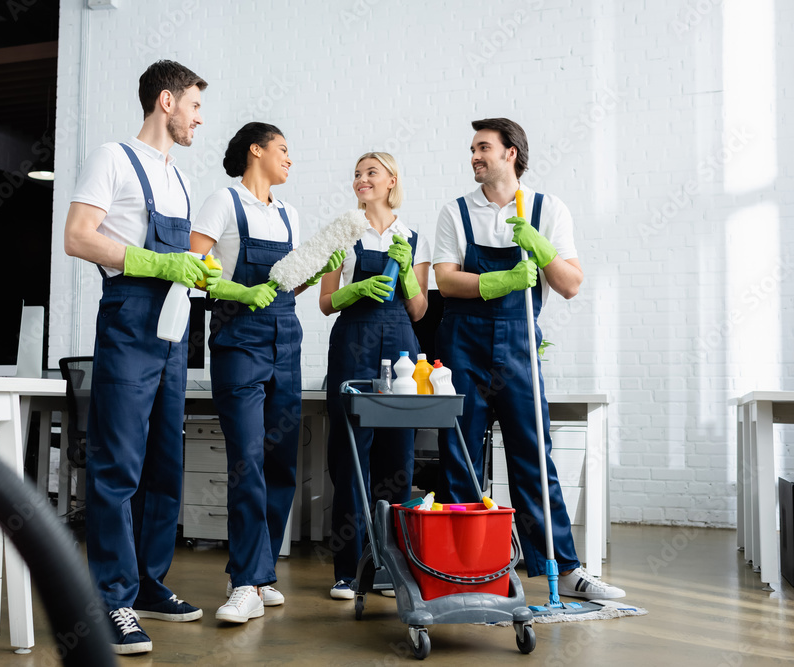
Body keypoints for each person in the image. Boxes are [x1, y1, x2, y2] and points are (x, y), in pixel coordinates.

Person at [432, 118, 625, 600]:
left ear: (511, 153)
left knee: (534, 457)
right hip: (461, 344)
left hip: (518, 344)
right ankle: (464, 569)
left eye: (483, 148)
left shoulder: (547, 209)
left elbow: (570, 284)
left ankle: (566, 567)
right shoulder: (456, 211)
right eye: (472, 148)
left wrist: (540, 250)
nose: (474, 156)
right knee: (460, 456)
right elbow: (446, 280)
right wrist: (497, 282)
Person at [63, 60, 219, 655]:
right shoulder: (113, 158)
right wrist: (156, 262)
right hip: (129, 320)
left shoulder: (175, 174)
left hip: (172, 327)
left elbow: (178, 254)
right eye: (195, 107)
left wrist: (196, 270)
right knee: (117, 467)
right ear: (166, 102)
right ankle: (112, 601)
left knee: (163, 463)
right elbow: (78, 236)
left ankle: (150, 583)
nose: (199, 119)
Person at [190, 122, 343, 624]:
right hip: (238, 339)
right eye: (283, 149)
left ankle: (260, 573)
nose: (289, 159)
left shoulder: (289, 214)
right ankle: (244, 581)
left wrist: (320, 269)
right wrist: (237, 292)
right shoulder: (223, 202)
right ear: (256, 150)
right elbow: (194, 267)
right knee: (248, 460)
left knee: (280, 462)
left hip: (285, 340)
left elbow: (288, 287)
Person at [317, 152, 430, 600]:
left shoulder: (411, 237)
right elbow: (326, 302)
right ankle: (348, 570)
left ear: (391, 181)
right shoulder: (341, 232)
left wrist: (406, 274)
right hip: (353, 348)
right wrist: (356, 289)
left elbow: (419, 310)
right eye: (357, 173)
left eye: (371, 173)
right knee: (351, 461)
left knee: (397, 461)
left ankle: (392, 566)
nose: (361, 179)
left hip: (402, 348)